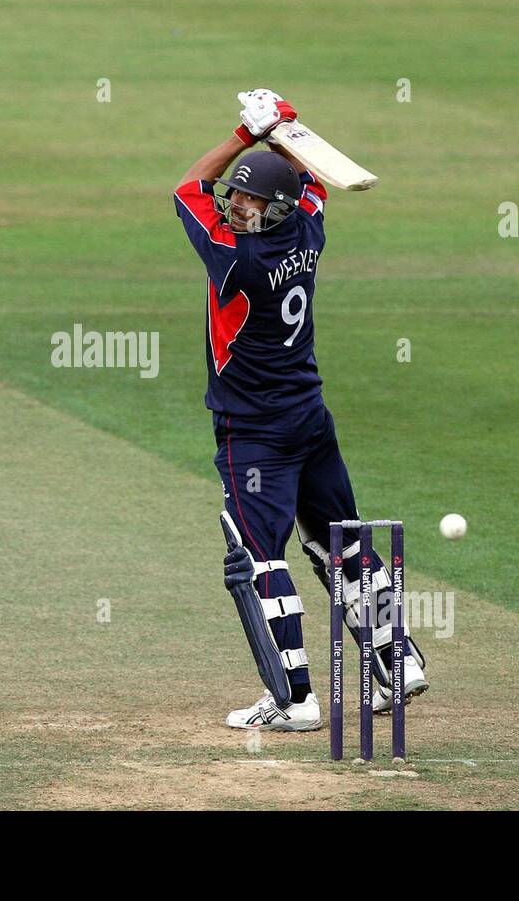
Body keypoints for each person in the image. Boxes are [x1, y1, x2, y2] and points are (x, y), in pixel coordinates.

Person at [173, 89, 428, 730]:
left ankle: (295, 699)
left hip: (253, 430)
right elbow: (313, 179)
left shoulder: (236, 259)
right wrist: (282, 130)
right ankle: (400, 663)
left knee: (257, 557)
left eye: (252, 201)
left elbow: (185, 187)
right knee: (341, 542)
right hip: (310, 416)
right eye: (236, 196)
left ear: (276, 208)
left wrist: (244, 130)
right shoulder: (309, 227)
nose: (236, 205)